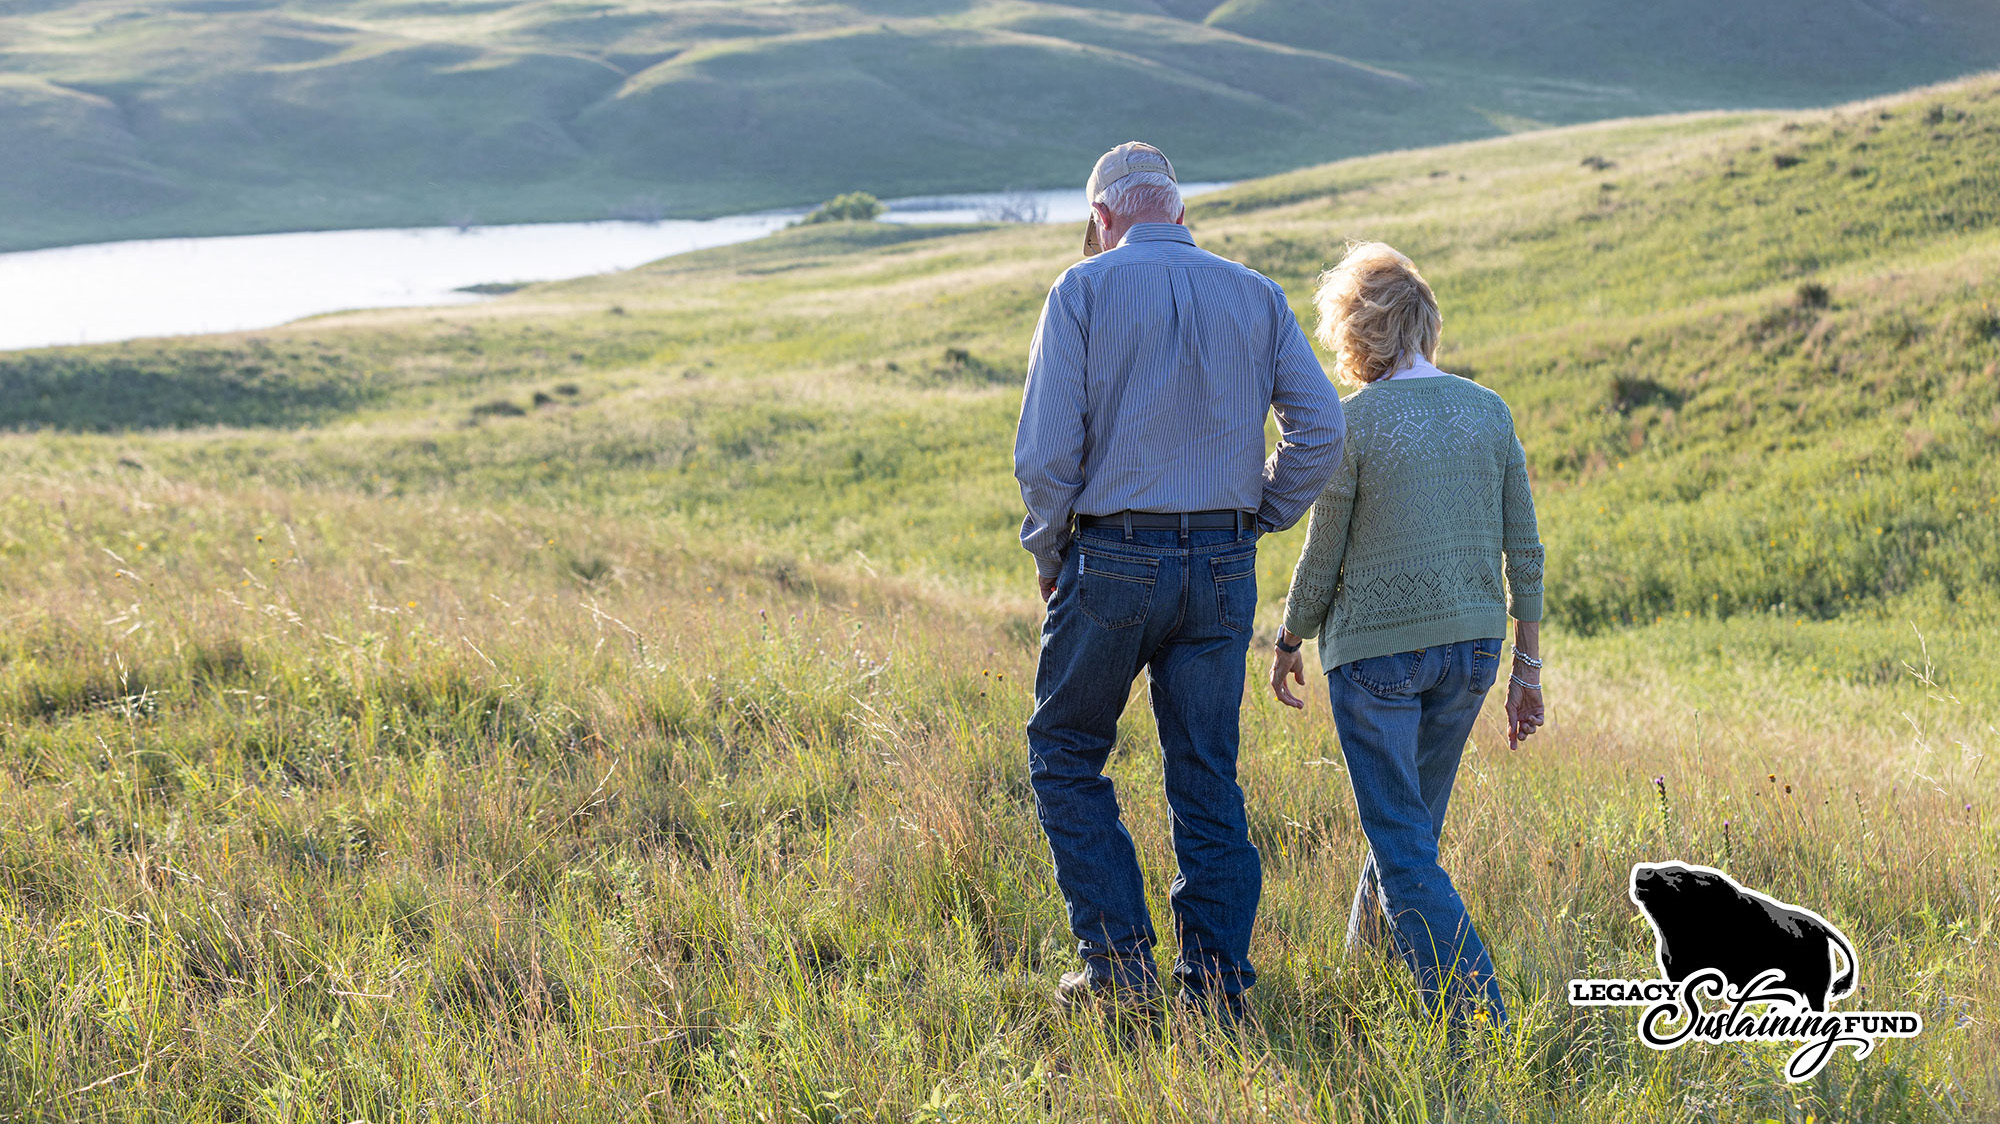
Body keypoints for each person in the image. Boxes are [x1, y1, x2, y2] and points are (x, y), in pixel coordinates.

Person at [1014, 141, 1345, 1024]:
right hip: (1222, 566)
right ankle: (1218, 988)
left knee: (1066, 754)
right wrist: (1260, 515)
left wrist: (1050, 556)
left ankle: (1119, 968)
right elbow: (1320, 430)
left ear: (1102, 219)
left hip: (1114, 559)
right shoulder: (1256, 293)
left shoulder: (1078, 292)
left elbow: (1047, 458)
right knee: (1206, 774)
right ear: (1181, 214)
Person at [1268, 242, 1545, 1029]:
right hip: (1473, 654)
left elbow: (1324, 553)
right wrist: (1527, 669)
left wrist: (1289, 638)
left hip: (1376, 655)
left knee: (1402, 843)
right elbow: (1523, 548)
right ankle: (1364, 977)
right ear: (1425, 323)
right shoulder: (1488, 410)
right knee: (1408, 832)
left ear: (1359, 334)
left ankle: (1479, 1020)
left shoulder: (1354, 423)